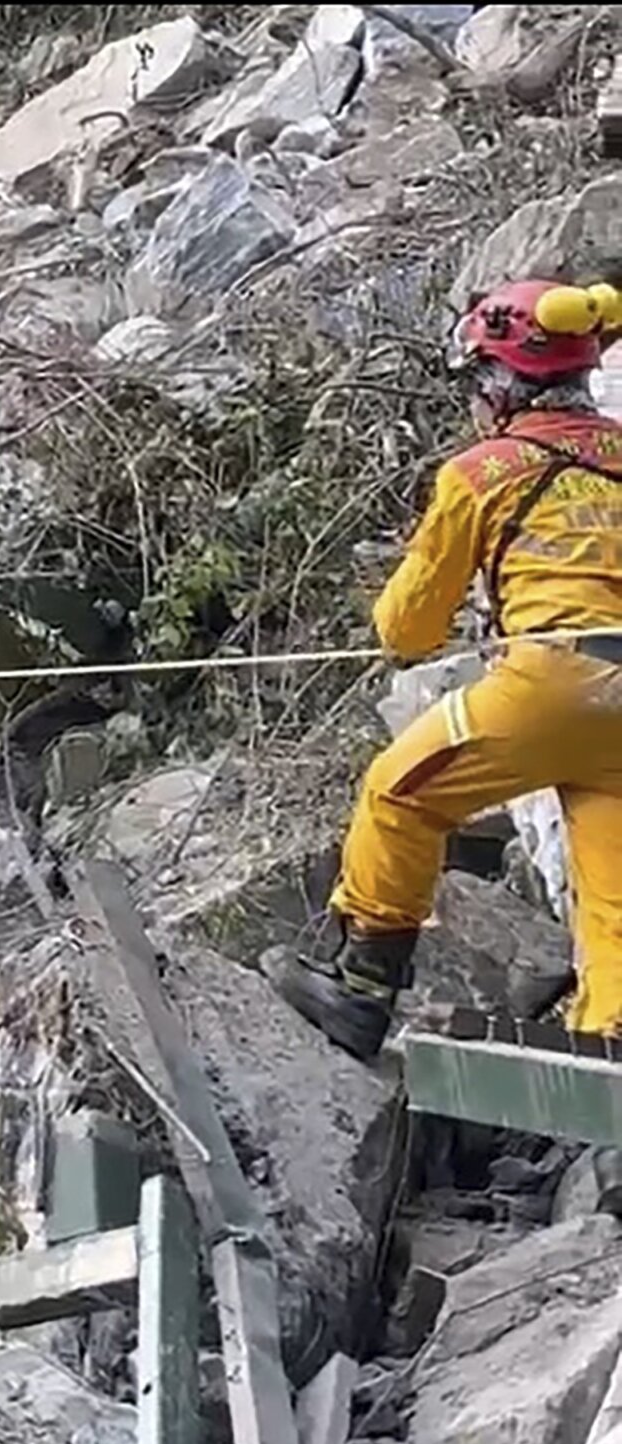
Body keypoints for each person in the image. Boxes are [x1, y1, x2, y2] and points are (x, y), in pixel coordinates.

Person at [272, 279, 622, 1059]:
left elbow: (407, 631)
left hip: (548, 685)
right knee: (614, 894)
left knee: (399, 794)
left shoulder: (480, 472)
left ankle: (360, 988)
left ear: (499, 389)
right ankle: (610, 1052)